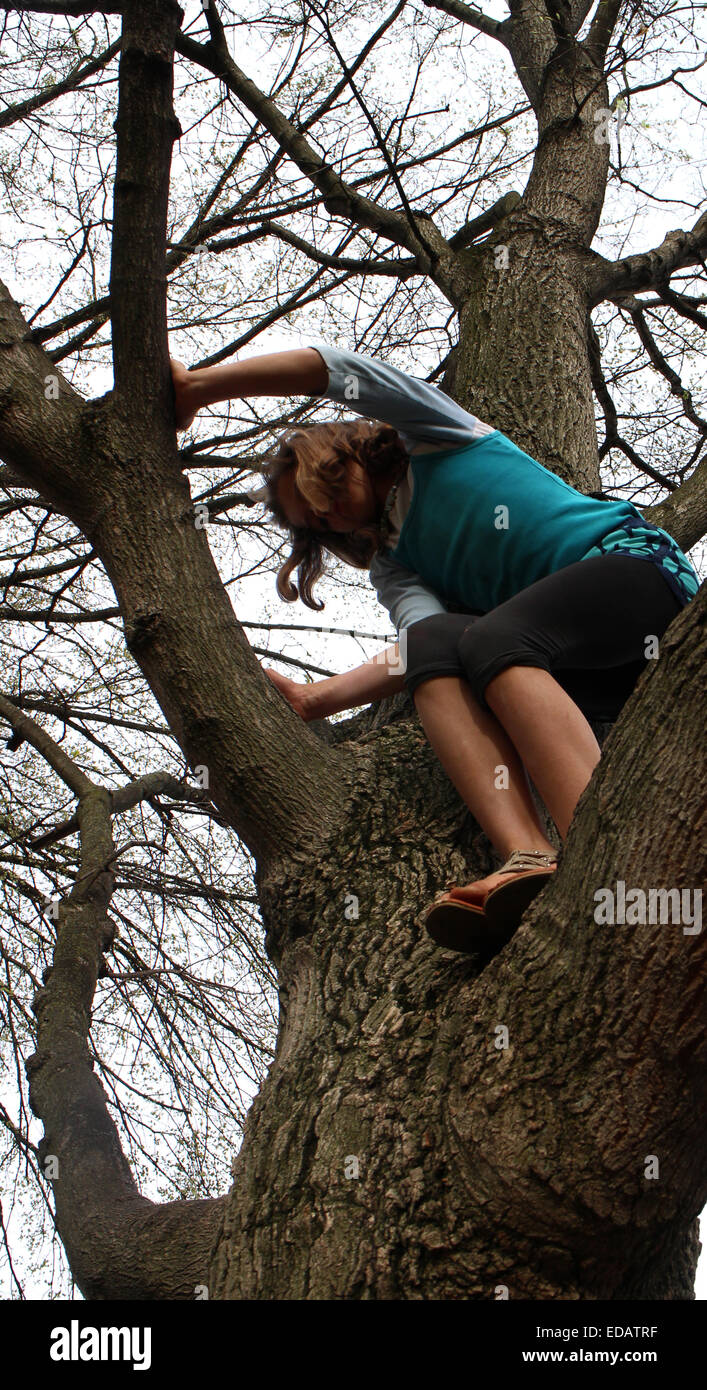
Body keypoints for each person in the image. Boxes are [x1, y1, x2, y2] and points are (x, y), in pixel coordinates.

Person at [170, 345, 699, 959]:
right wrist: (319, 697)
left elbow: (331, 369)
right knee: (439, 643)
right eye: (314, 521)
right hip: (589, 671)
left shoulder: (433, 433)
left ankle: (600, 847)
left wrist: (200, 389)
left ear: (341, 454)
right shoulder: (396, 567)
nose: (328, 513)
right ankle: (528, 854)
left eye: (323, 487)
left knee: (495, 636)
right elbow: (421, 649)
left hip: (639, 580)